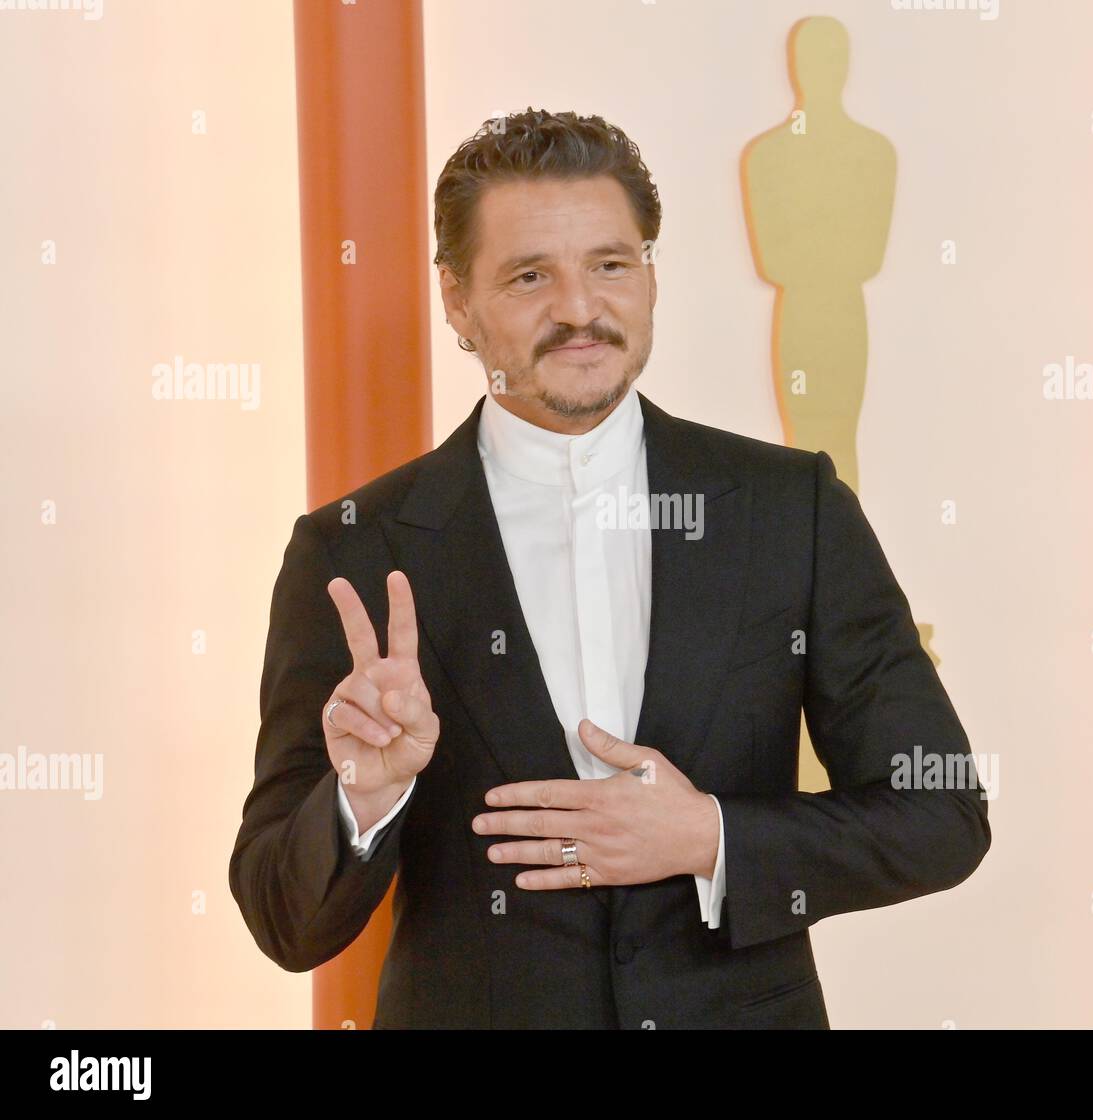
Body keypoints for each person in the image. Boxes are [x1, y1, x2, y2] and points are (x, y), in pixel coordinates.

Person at [228, 108, 992, 1029]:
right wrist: (368, 792)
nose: (580, 308)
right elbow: (282, 920)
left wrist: (710, 837)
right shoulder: (353, 547)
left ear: (651, 277)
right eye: (528, 277)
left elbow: (941, 812)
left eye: (610, 265)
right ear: (457, 301)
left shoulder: (792, 508)